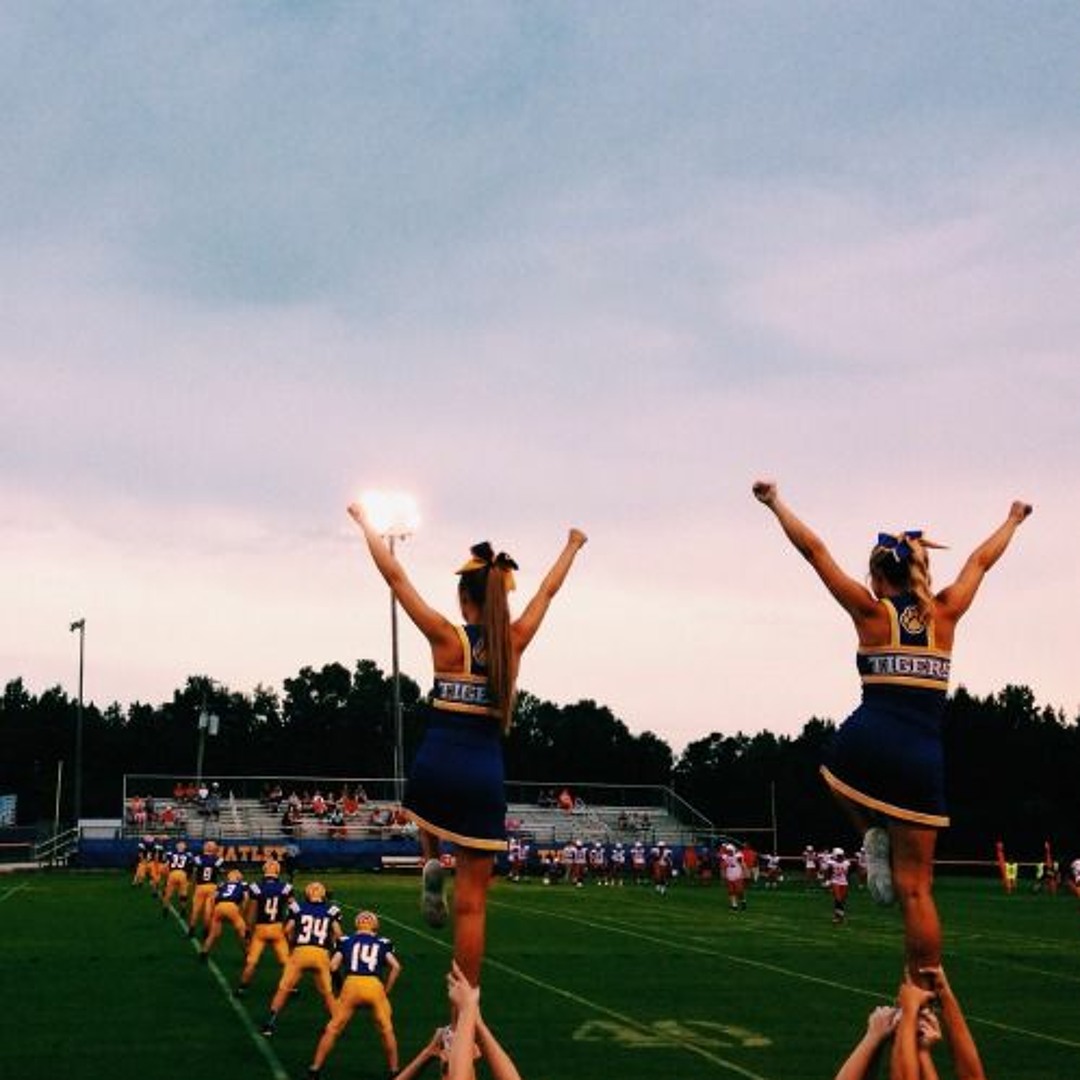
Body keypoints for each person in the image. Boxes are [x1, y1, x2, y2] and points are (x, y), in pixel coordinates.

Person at [754, 480, 1032, 977]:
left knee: (829, 770)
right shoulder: (945, 613)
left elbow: (814, 552)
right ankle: (925, 984)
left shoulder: (870, 612)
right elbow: (981, 561)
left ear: (880, 578)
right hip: (921, 755)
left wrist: (775, 502)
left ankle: (869, 837)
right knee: (917, 889)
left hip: (865, 741)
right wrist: (1013, 518)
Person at [348, 501, 586, 987]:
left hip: (435, 767)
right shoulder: (514, 642)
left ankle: (430, 859)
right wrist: (572, 546)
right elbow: (548, 590)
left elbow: (394, 576)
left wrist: (364, 523)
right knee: (473, 908)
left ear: (463, 599)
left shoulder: (445, 637)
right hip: (483, 776)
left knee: (427, 809)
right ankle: (465, 1011)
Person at [306, 910, 402, 1080]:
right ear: (375, 925)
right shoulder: (383, 942)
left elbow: (333, 966)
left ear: (357, 924)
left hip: (351, 984)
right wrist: (387, 990)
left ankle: (315, 1068)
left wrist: (339, 985)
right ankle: (394, 1071)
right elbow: (396, 966)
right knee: (387, 1030)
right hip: (374, 986)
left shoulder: (345, 941)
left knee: (333, 1028)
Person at [261, 881, 343, 1036]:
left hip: (300, 952)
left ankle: (270, 1023)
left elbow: (287, 930)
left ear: (307, 893)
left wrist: (293, 942)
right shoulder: (332, 910)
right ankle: (336, 1024)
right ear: (323, 894)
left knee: (284, 988)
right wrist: (332, 948)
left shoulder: (297, 907)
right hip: (321, 953)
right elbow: (338, 934)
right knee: (327, 992)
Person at [236, 858, 294, 996]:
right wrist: (290, 928)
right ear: (278, 871)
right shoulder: (286, 887)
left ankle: (242, 987)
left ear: (264, 870)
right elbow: (295, 910)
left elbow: (252, 913)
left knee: (252, 961)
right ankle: (290, 987)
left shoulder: (255, 887)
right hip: (277, 928)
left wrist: (248, 930)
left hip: (261, 928)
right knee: (286, 961)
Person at [199, 869, 248, 961]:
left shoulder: (222, 884)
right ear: (238, 877)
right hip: (232, 907)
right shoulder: (243, 885)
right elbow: (245, 898)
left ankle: (204, 952)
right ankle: (247, 954)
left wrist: (214, 910)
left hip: (219, 907)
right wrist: (242, 910)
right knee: (242, 932)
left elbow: (213, 898)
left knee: (213, 934)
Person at [188, 839, 225, 939]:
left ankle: (191, 930)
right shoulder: (218, 860)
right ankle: (206, 932)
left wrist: (192, 884)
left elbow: (194, 872)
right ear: (214, 849)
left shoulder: (197, 858)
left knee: (195, 910)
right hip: (212, 887)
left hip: (200, 886)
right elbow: (221, 874)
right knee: (208, 911)